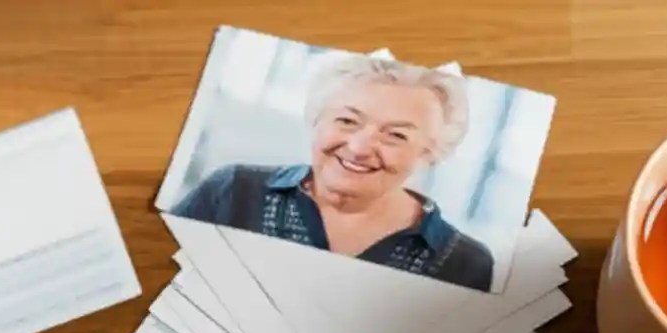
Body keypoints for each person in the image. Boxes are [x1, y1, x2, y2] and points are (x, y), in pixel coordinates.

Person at [171, 54, 494, 292]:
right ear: (317, 120)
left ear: (430, 153)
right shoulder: (233, 190)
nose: (358, 147)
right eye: (347, 120)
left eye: (396, 135)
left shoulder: (465, 263)